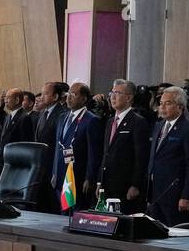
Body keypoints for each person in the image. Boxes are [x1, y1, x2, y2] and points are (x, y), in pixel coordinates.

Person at [93, 79, 151, 215]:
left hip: (125, 186)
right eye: (112, 92)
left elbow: (141, 157)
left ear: (129, 97)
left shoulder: (138, 121)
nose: (112, 96)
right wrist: (99, 182)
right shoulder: (109, 122)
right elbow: (105, 153)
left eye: (118, 93)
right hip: (107, 185)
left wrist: (135, 185)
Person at [146, 86, 189, 224]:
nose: (162, 107)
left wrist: (186, 195)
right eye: (161, 103)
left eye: (168, 103)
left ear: (180, 107)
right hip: (155, 191)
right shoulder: (158, 125)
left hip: (175, 194)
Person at [50, 82, 103, 211]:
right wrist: (54, 172)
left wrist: (89, 178)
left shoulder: (91, 120)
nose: (68, 97)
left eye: (73, 94)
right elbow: (58, 147)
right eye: (68, 94)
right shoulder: (62, 117)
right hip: (60, 175)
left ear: (84, 98)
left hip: (78, 176)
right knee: (61, 216)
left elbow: (94, 153)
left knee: (75, 214)